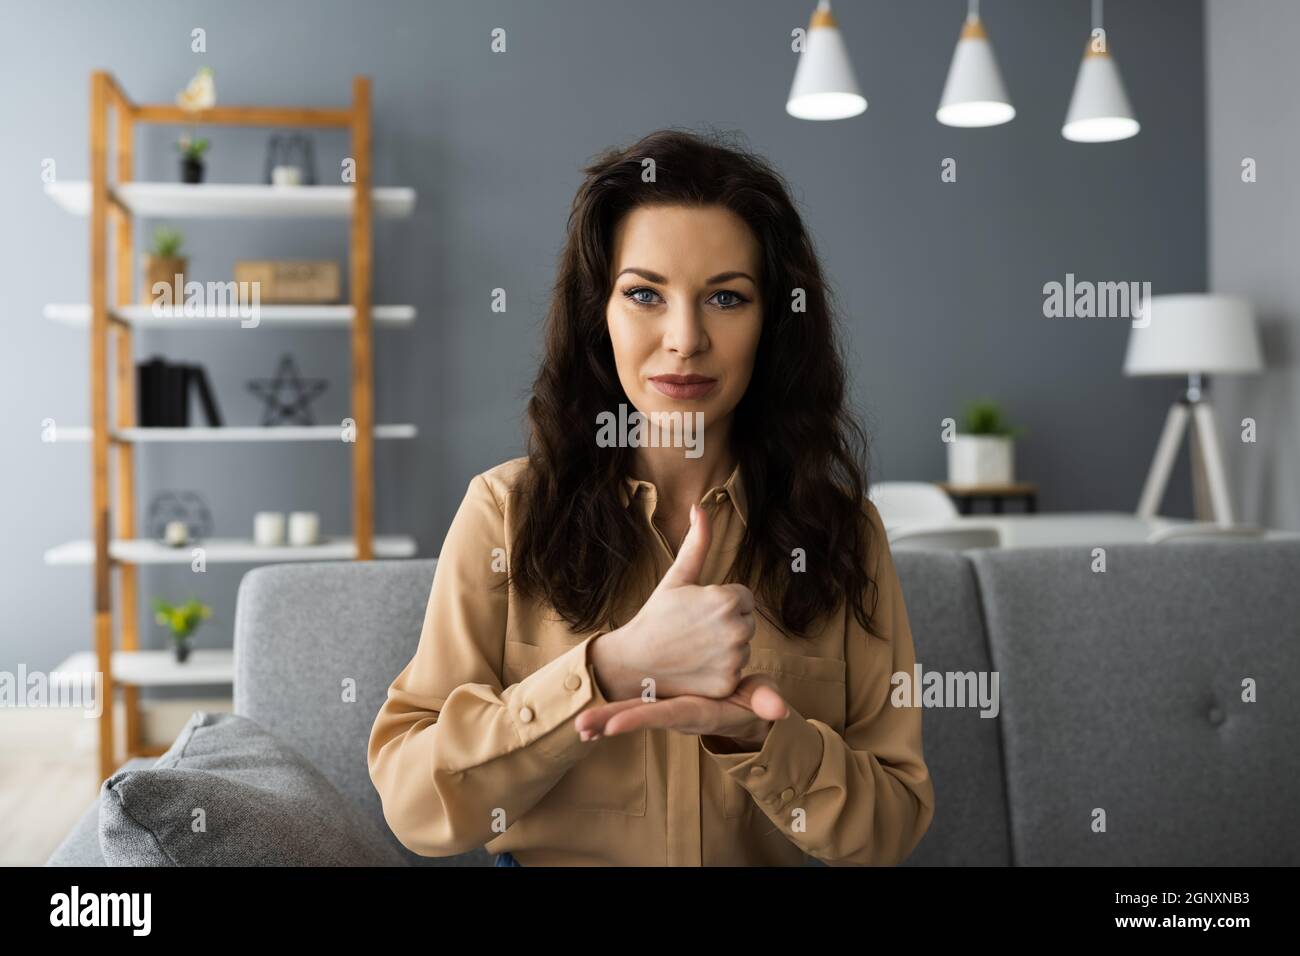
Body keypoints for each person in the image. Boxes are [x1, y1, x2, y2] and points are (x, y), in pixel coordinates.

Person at [367, 128, 935, 866]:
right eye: (644, 294)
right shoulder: (503, 513)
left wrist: (761, 738)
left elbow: (891, 828)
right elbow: (416, 808)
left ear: (773, 323)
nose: (684, 338)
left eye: (726, 298)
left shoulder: (843, 533)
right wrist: (610, 671)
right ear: (598, 314)